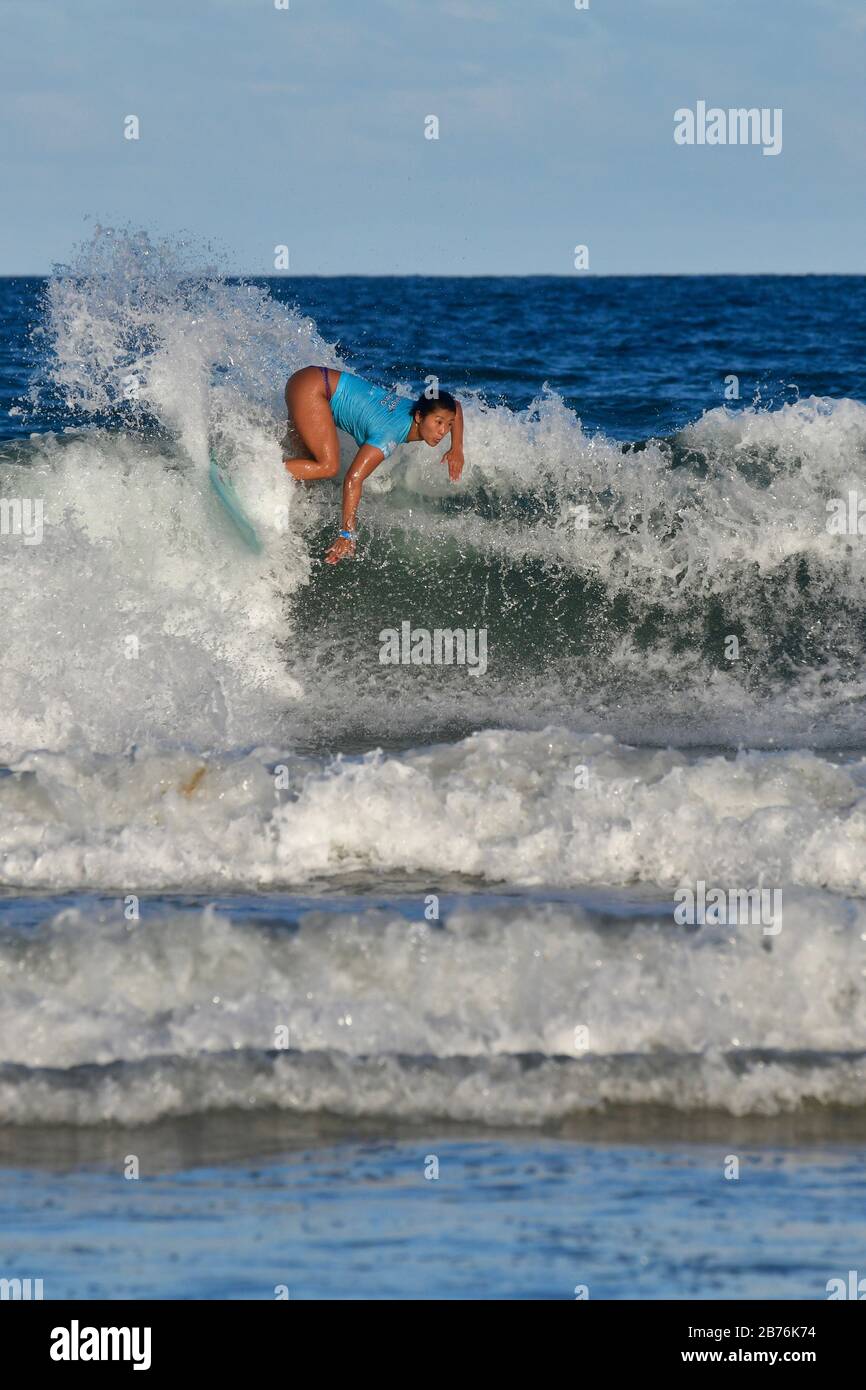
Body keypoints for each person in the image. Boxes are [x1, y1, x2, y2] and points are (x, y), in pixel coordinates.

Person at [282, 365, 464, 564]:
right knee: (327, 466)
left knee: (305, 475)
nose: (443, 431)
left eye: (449, 424)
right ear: (419, 417)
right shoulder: (389, 435)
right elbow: (353, 479)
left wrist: (457, 448)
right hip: (314, 389)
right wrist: (347, 533)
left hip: (312, 380)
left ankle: (263, 480)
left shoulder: (421, 408)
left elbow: (455, 405)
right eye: (438, 422)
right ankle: (260, 469)